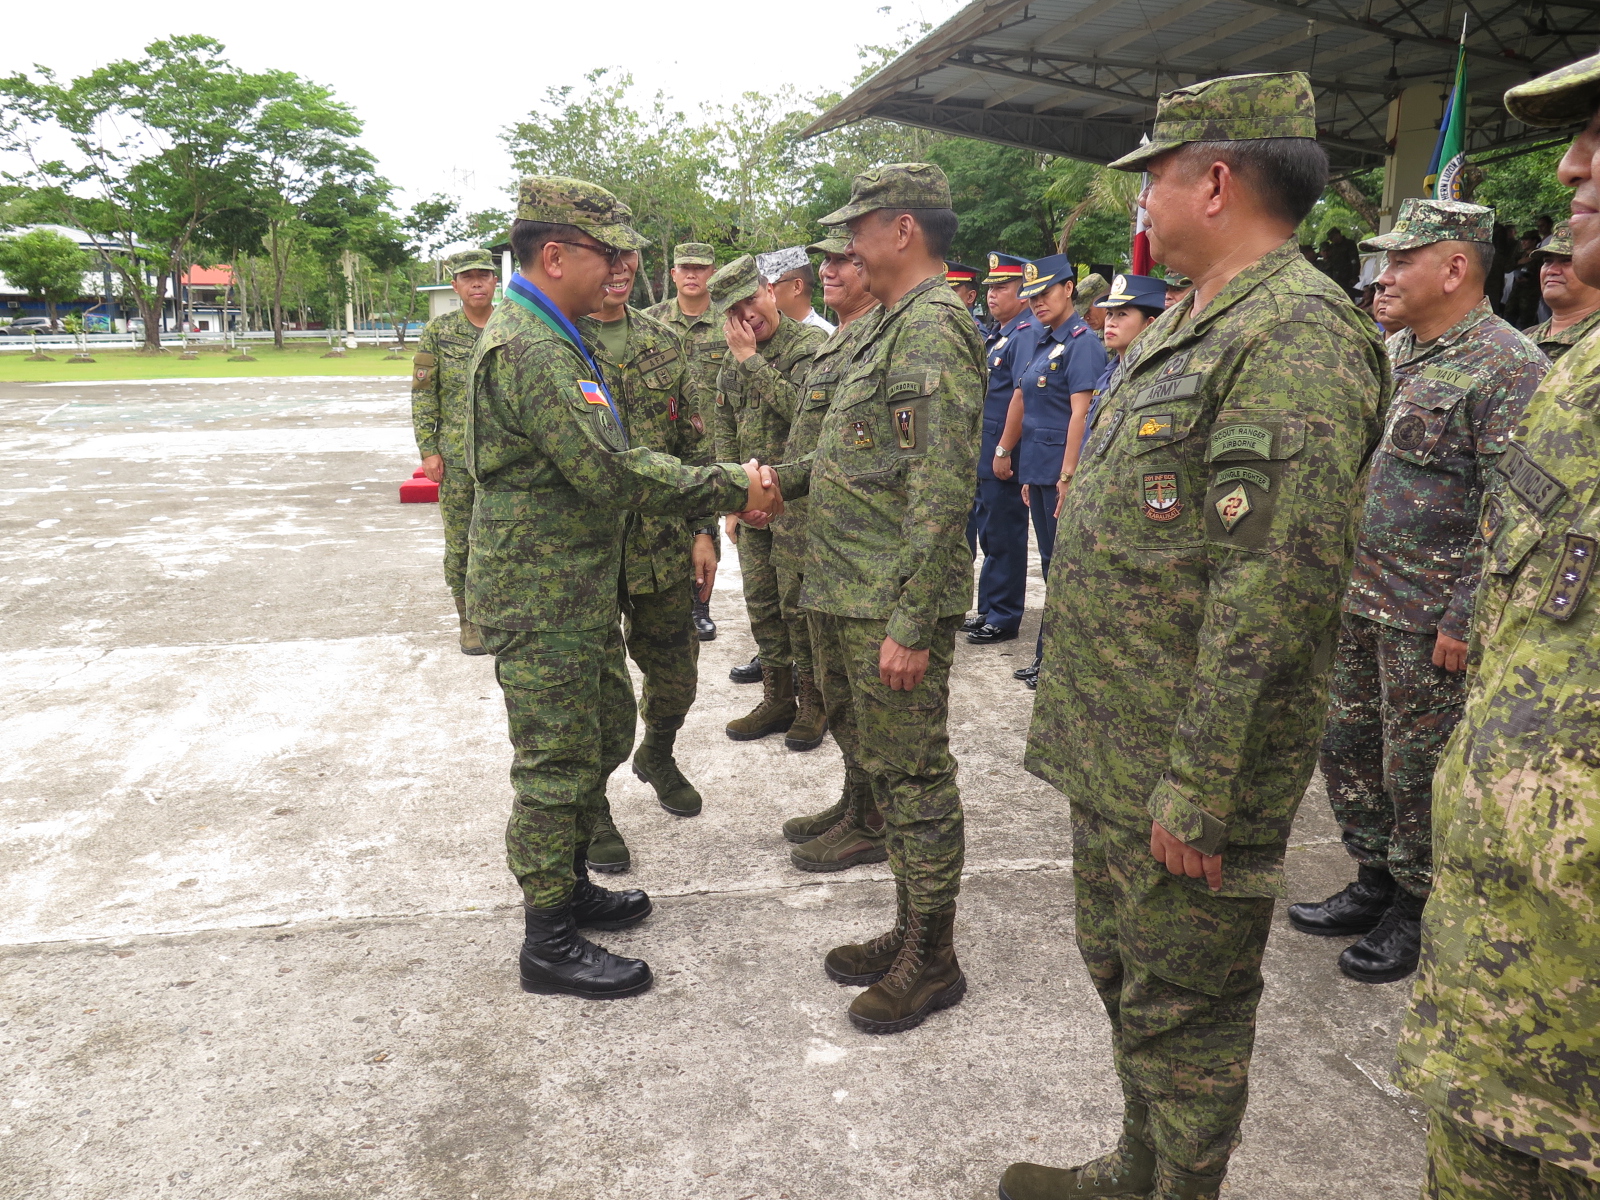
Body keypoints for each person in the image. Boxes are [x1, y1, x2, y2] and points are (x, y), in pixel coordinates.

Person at [1000, 73, 1389, 1200]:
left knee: (1191, 1014)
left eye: (1154, 179)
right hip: (1117, 745)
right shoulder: (1192, 319)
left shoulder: (1295, 337)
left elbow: (1272, 592)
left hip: (1184, 769)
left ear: (1215, 182)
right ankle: (1139, 1165)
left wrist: (1204, 786)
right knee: (1125, 975)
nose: (1142, 203)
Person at [465, 177, 779, 1001]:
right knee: (555, 765)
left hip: (572, 587)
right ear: (554, 254)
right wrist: (733, 485)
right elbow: (611, 470)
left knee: (603, 728)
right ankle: (547, 941)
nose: (619, 267)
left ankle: (569, 888)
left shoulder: (553, 333)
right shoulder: (532, 348)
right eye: (605, 251)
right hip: (542, 596)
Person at [1390, 56, 1600, 1200]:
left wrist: (1458, 615)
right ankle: (1389, 883)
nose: (1568, 168)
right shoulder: (1579, 378)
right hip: (1516, 999)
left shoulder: (1518, 366)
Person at [1286, 199, 1548, 985]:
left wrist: (1465, 615)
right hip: (1360, 595)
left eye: (1401, 261)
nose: (1383, 276)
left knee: (1418, 767)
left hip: (1428, 618)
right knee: (1350, 748)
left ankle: (1417, 902)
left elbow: (1512, 508)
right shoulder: (1397, 350)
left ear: (1456, 267)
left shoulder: (1508, 365)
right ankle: (1373, 878)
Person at [772, 162, 985, 1033]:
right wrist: (760, 482)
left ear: (903, 229)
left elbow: (940, 485)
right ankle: (909, 929)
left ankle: (932, 958)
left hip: (888, 603)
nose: (848, 244)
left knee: (915, 778)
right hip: (847, 589)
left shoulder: (931, 327)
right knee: (886, 774)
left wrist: (913, 620)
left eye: (859, 226)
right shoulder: (885, 325)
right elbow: (848, 458)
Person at [581, 243, 721, 843]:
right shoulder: (557, 343)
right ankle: (591, 804)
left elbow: (694, 447)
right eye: (606, 255)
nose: (618, 268)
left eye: (628, 256)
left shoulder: (664, 342)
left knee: (677, 673)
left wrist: (703, 531)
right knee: (594, 689)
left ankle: (657, 752)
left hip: (661, 541)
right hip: (584, 550)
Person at [780, 226, 889, 871]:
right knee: (838, 693)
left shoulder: (881, 338)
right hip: (820, 544)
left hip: (860, 558)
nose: (830, 271)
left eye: (845, 260)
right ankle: (857, 802)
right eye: (823, 261)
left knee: (867, 706)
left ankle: (872, 819)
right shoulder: (842, 339)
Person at [707, 255, 828, 745]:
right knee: (762, 604)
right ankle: (778, 699)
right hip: (751, 508)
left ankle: (815, 703)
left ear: (771, 292)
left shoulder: (810, 346)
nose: (747, 316)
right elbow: (723, 428)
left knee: (798, 607)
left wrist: (751, 362)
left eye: (751, 300)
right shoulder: (731, 358)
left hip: (797, 504)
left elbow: (805, 415)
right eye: (733, 310)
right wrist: (733, 501)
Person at [1002, 254, 1106, 679]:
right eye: (1031, 297)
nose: (1037, 302)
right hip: (1041, 471)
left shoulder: (1082, 343)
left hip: (1061, 474)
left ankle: (1058, 660)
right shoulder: (1045, 341)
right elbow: (1031, 407)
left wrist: (1067, 476)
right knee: (1050, 565)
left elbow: (1081, 414)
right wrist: (1032, 474)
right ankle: (1050, 657)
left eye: (1044, 293)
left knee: (1061, 568)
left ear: (1068, 289)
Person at [412, 248, 498, 655]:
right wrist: (428, 449)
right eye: (467, 277)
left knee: (510, 539)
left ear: (495, 281)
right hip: (457, 458)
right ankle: (470, 621)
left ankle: (505, 616)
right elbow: (423, 394)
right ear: (455, 285)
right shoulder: (438, 331)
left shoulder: (513, 323)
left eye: (483, 275)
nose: (476, 282)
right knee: (461, 541)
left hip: (506, 458)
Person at [645, 243, 724, 643]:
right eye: (685, 268)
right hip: (664, 441)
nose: (692, 274)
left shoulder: (728, 322)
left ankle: (700, 605)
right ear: (673, 274)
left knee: (705, 526)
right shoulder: (650, 322)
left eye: (700, 268)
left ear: (712, 273)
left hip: (714, 443)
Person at [964, 252, 1040, 649]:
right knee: (991, 533)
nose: (992, 295)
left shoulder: (1025, 333)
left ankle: (1004, 615)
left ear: (1024, 292)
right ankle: (990, 608)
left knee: (1005, 534)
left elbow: (1021, 395)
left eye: (1002, 287)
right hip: (987, 448)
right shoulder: (1002, 333)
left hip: (1003, 452)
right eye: (990, 287)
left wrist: (1004, 449)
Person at [1524, 218, 1600, 360]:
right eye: (1547, 261)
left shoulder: (1595, 339)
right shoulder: (1523, 340)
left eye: (1567, 260)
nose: (1551, 270)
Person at [758, 246, 834, 335]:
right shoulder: (762, 335)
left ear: (797, 287)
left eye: (770, 286)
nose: (764, 293)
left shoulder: (827, 337)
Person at [1319, 226, 1360, 293]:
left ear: (1337, 235)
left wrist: (1354, 276)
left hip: (1348, 275)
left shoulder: (1349, 244)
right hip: (1336, 276)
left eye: (1332, 238)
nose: (1331, 240)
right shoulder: (1332, 247)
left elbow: (1355, 261)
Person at [946, 261, 985, 330]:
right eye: (943, 291)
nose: (944, 296)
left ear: (970, 296)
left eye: (952, 291)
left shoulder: (976, 331)